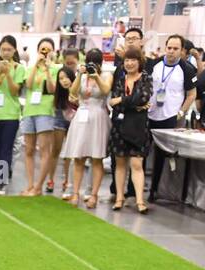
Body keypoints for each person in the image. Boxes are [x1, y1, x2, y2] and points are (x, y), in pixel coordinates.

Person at [59, 48, 111, 208]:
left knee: (96, 158)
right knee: (79, 157)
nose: (92, 66)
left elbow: (106, 90)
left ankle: (93, 194)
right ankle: (75, 192)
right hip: (81, 116)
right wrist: (81, 74)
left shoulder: (106, 75)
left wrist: (95, 76)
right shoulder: (82, 76)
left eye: (95, 62)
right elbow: (73, 92)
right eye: (90, 62)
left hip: (98, 117)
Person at [146, 35, 196, 197]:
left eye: (175, 49)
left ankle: (154, 190)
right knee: (140, 152)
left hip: (170, 117)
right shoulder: (155, 64)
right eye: (169, 48)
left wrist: (181, 112)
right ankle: (134, 190)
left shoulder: (187, 69)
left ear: (182, 51)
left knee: (161, 155)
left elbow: (191, 95)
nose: (171, 52)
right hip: (150, 114)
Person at [108, 47, 152, 213]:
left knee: (136, 163)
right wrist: (133, 104)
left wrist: (121, 100)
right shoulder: (120, 79)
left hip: (138, 126)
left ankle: (140, 201)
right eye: (126, 60)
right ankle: (119, 197)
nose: (129, 63)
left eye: (133, 60)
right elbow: (115, 102)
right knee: (120, 163)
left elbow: (142, 97)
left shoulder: (146, 78)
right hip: (120, 125)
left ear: (139, 61)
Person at [0, 35, 24, 195]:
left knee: (6, 150)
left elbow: (15, 90)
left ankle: (2, 181)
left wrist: (7, 73)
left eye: (9, 49)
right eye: (3, 49)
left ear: (14, 50)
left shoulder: (19, 68)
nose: (6, 52)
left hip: (11, 115)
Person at [19, 37, 59, 196]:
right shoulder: (30, 68)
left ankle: (39, 186)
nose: (45, 52)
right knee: (28, 149)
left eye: (48, 49)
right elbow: (28, 85)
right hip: (29, 111)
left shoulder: (56, 69)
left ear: (53, 52)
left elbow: (51, 88)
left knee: (44, 150)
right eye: (42, 49)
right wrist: (37, 65)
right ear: (38, 51)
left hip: (45, 111)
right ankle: (30, 184)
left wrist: (48, 69)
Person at [48, 48, 80, 196]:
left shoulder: (77, 88)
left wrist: (76, 100)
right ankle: (50, 180)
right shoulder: (58, 95)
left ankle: (67, 181)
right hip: (60, 118)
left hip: (75, 120)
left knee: (70, 152)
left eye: (66, 77)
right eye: (60, 78)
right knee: (56, 150)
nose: (64, 81)